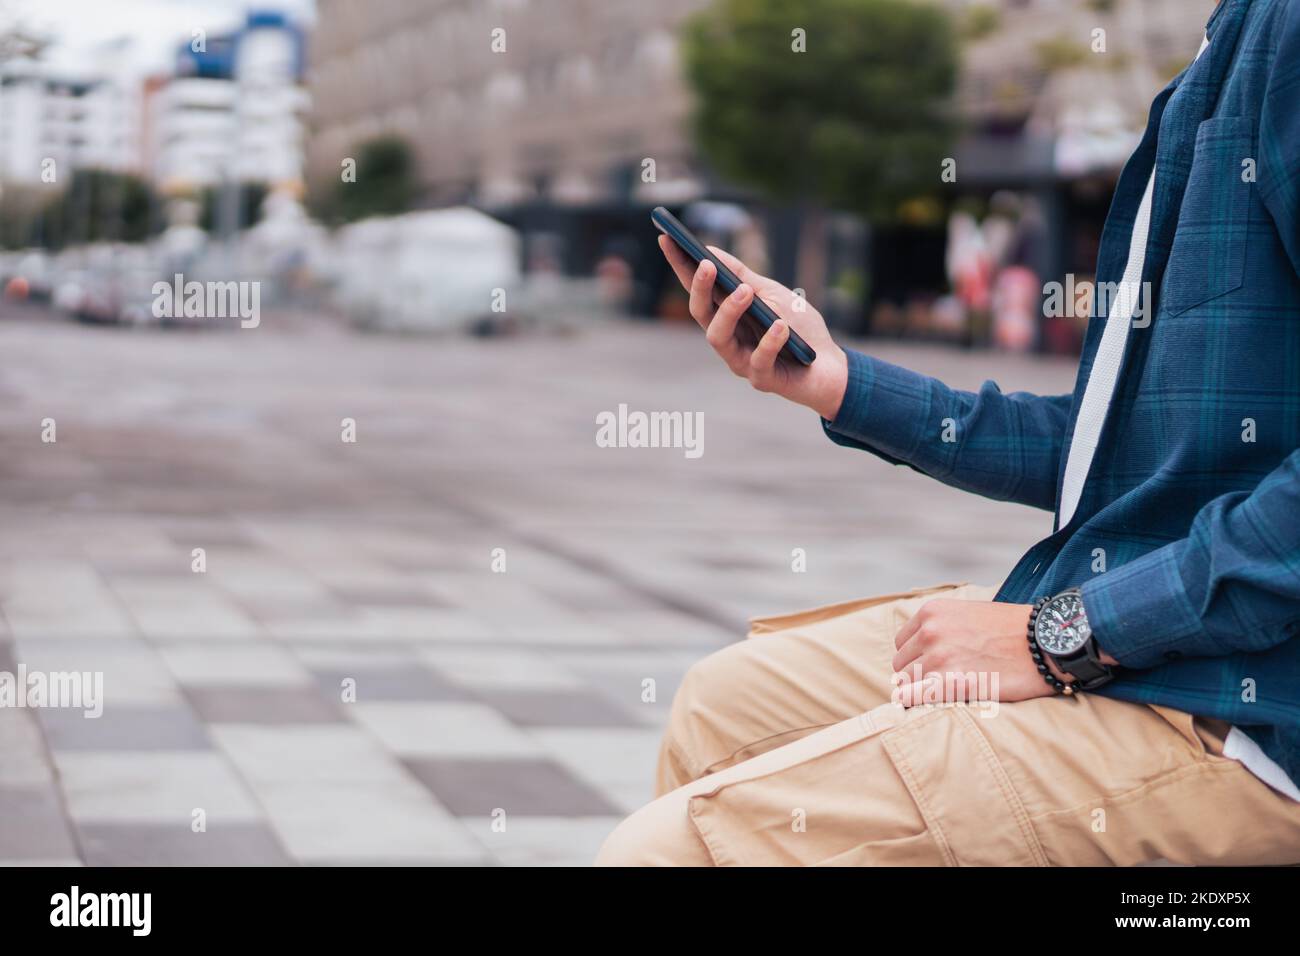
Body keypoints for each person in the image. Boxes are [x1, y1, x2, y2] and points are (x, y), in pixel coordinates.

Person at [597, 0, 1300, 866]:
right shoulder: (1228, 42)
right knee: (723, 707)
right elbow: (1113, 449)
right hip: (1157, 638)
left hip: (1249, 717)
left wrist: (1063, 635)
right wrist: (841, 383)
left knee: (673, 850)